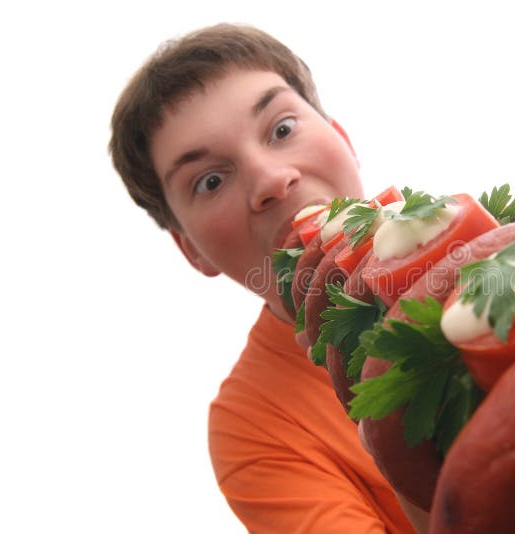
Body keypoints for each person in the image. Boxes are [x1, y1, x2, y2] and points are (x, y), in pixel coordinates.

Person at [110, 23, 426, 533]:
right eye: (210, 181)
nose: (271, 180)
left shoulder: (490, 248)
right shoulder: (253, 423)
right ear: (192, 250)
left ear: (341, 138)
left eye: (281, 129)